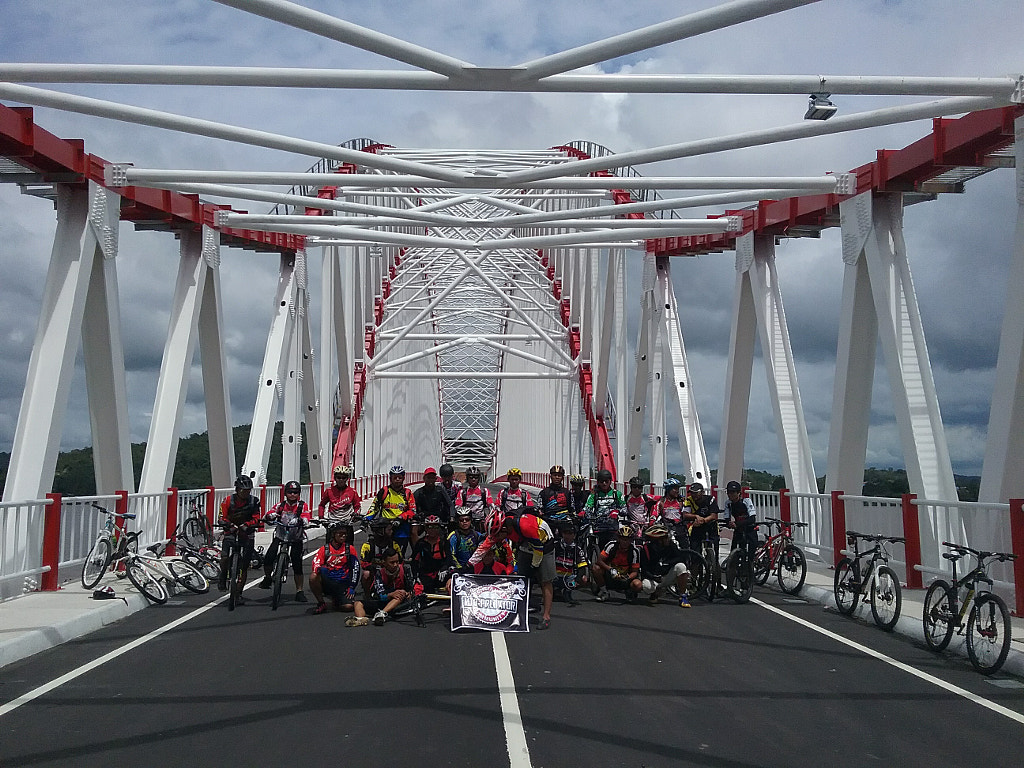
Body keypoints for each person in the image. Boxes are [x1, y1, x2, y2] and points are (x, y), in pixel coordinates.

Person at [503, 510, 556, 629]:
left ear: (509, 527)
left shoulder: (526, 527)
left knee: (545, 581)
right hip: (526, 544)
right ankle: (521, 610)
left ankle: (546, 617)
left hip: (543, 545)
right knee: (522, 578)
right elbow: (487, 544)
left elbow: (538, 552)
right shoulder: (504, 525)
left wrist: (534, 566)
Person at [259, 480, 311, 602]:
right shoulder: (280, 505)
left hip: (296, 537)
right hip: (281, 535)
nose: (292, 494)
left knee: (297, 563)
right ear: (285, 493)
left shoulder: (302, 505)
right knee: (269, 557)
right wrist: (270, 516)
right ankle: (267, 577)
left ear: (299, 494)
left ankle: (299, 591)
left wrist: (302, 521)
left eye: (295, 492)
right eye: (290, 492)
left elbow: (306, 516)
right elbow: (270, 513)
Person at [217, 475, 263, 600]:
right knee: (225, 557)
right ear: (237, 489)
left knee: (245, 565)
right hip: (231, 532)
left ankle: (239, 593)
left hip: (246, 532)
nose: (246, 493)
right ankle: (223, 575)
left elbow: (256, 517)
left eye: (248, 491)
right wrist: (228, 524)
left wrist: (247, 525)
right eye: (243, 490)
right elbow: (221, 517)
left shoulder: (254, 501)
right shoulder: (227, 500)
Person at [352, 549, 416, 626]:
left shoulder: (405, 570)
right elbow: (379, 595)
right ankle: (361, 620)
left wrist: (408, 593)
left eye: (397, 562)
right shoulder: (379, 573)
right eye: (392, 562)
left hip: (399, 603)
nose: (395, 565)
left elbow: (411, 588)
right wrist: (390, 594)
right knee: (357, 603)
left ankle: (381, 614)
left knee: (400, 593)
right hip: (385, 600)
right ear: (384, 563)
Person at [310, 523, 361, 616]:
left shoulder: (350, 549)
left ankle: (338, 600)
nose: (343, 536)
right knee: (313, 576)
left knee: (348, 607)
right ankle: (321, 603)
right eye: (340, 534)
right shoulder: (325, 549)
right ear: (333, 534)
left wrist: (352, 586)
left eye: (345, 533)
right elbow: (316, 562)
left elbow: (355, 568)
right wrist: (319, 569)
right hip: (329, 580)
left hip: (343, 582)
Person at [639, 522, 691, 608]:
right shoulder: (646, 549)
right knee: (647, 587)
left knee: (681, 567)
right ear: (658, 540)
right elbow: (644, 569)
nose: (668, 539)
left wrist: (666, 563)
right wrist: (653, 577)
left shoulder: (670, 545)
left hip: (667, 576)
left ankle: (683, 596)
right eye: (665, 538)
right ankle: (654, 593)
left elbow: (681, 558)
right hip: (654, 578)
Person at [369, 465, 416, 555]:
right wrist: (366, 519)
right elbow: (374, 508)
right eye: (395, 477)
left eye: (400, 477)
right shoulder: (384, 491)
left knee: (399, 555)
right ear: (390, 478)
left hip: (401, 528)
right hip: (384, 528)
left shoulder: (407, 493)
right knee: (382, 556)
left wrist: (401, 518)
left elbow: (412, 510)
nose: (397, 479)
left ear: (403, 478)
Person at [593, 523, 642, 603]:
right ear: (619, 539)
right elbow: (599, 561)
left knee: (638, 584)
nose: (625, 542)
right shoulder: (611, 546)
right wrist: (610, 569)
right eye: (623, 539)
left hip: (625, 578)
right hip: (610, 575)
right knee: (596, 568)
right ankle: (604, 592)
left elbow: (635, 571)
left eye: (627, 539)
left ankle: (629, 592)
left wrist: (628, 577)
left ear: (631, 540)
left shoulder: (634, 551)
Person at [582, 468, 626, 552]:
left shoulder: (617, 494)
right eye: (601, 481)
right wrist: (584, 512)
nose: (604, 483)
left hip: (612, 528)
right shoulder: (594, 494)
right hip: (598, 528)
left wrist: (617, 512)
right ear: (598, 482)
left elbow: (625, 509)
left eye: (606, 481)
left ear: (610, 481)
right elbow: (588, 506)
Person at [410, 515, 454, 595]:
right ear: (426, 529)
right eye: (429, 527)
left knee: (453, 582)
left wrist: (444, 569)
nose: (432, 530)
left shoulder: (444, 542)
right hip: (426, 575)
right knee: (417, 589)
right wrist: (415, 577)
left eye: (435, 527)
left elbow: (449, 559)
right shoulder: (420, 543)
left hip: (440, 574)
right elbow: (414, 561)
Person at [359, 517, 403, 595]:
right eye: (389, 530)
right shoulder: (368, 546)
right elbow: (363, 563)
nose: (391, 532)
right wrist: (375, 568)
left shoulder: (394, 545)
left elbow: (401, 562)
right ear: (381, 531)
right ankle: (368, 595)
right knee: (366, 574)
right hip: (375, 572)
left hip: (390, 572)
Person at [468, 509, 516, 576]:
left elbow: (512, 561)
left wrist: (507, 573)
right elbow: (481, 550)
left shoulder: (521, 527)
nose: (495, 538)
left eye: (496, 535)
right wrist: (467, 565)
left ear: (504, 529)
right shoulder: (493, 538)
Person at [553, 520, 588, 606]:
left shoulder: (578, 549)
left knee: (583, 579)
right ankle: (555, 590)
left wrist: (578, 579)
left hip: (568, 577)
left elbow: (582, 566)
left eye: (570, 533)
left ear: (574, 535)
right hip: (554, 576)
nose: (567, 536)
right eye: (565, 533)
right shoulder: (555, 545)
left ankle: (568, 592)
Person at [722, 480, 758, 558]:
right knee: (734, 550)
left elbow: (752, 518)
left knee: (752, 550)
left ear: (739, 493)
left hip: (749, 528)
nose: (730, 494)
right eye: (728, 492)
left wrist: (737, 524)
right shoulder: (728, 503)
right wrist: (729, 523)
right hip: (738, 528)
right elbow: (727, 517)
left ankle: (751, 566)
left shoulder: (747, 501)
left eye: (732, 492)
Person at [683, 481, 721, 555]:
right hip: (697, 525)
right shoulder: (689, 500)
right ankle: (696, 564)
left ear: (702, 492)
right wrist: (696, 516)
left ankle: (715, 562)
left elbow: (713, 515)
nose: (694, 495)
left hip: (710, 524)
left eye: (696, 493)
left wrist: (703, 520)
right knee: (695, 548)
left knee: (715, 543)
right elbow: (685, 515)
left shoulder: (711, 499)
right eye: (692, 493)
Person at [455, 466, 492, 532]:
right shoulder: (463, 492)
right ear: (467, 478)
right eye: (471, 477)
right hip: (467, 520)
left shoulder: (484, 491)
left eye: (476, 477)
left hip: (481, 520)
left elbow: (490, 504)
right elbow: (458, 506)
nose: (473, 479)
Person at [448, 510, 483, 576]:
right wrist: (460, 568)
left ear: (471, 520)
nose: (464, 522)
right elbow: (451, 555)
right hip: (459, 570)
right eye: (461, 520)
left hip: (476, 570)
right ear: (457, 521)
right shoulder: (453, 536)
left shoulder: (477, 535)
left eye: (467, 519)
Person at [655, 478, 687, 544]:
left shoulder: (681, 502)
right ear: (668, 489)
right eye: (675, 488)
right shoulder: (661, 502)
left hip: (680, 529)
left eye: (678, 489)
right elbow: (654, 515)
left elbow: (687, 514)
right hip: (666, 529)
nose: (677, 491)